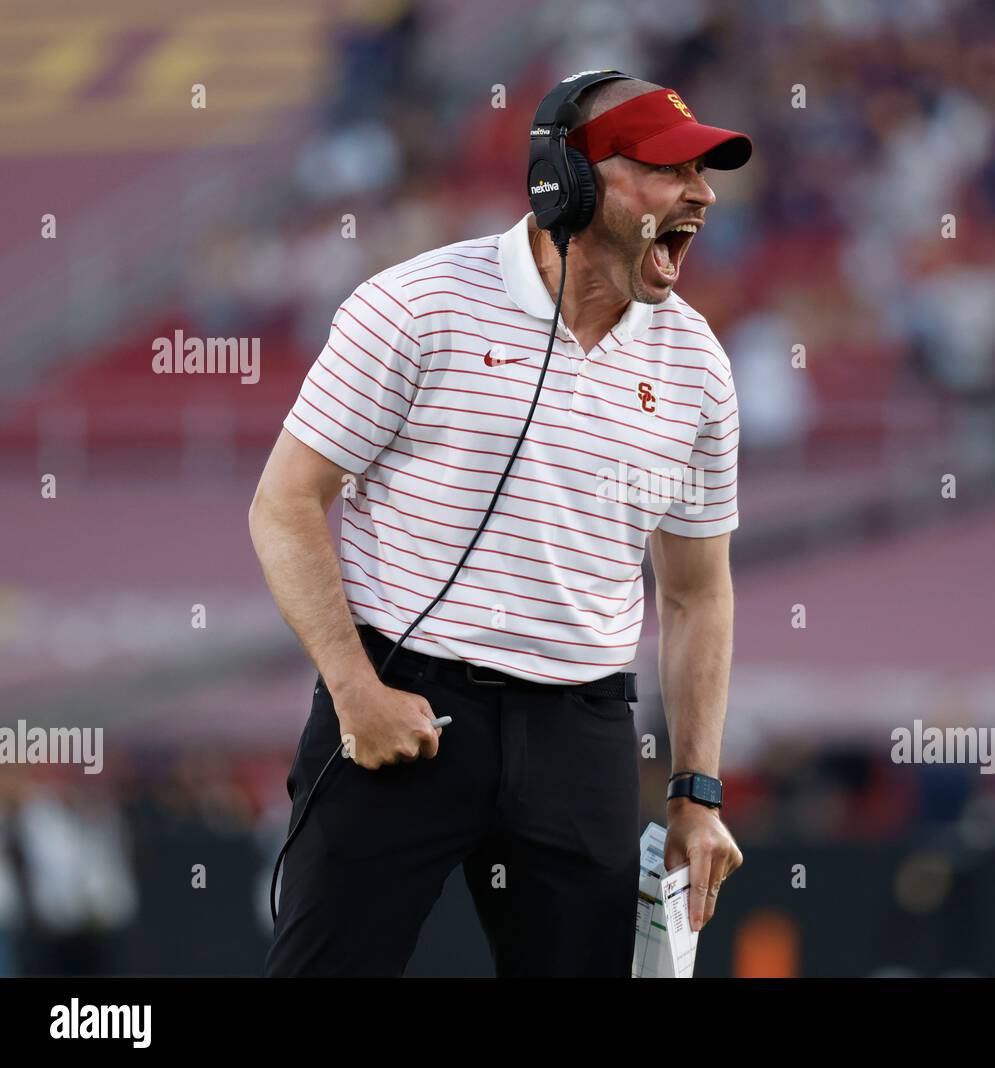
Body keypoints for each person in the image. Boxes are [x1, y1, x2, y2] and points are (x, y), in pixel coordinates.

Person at [249, 74, 751, 976]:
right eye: (672, 170)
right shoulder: (415, 306)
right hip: (403, 701)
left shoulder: (698, 366)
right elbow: (283, 504)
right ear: (569, 180)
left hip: (583, 730)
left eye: (705, 174)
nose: (703, 196)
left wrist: (695, 793)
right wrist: (355, 690)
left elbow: (696, 591)